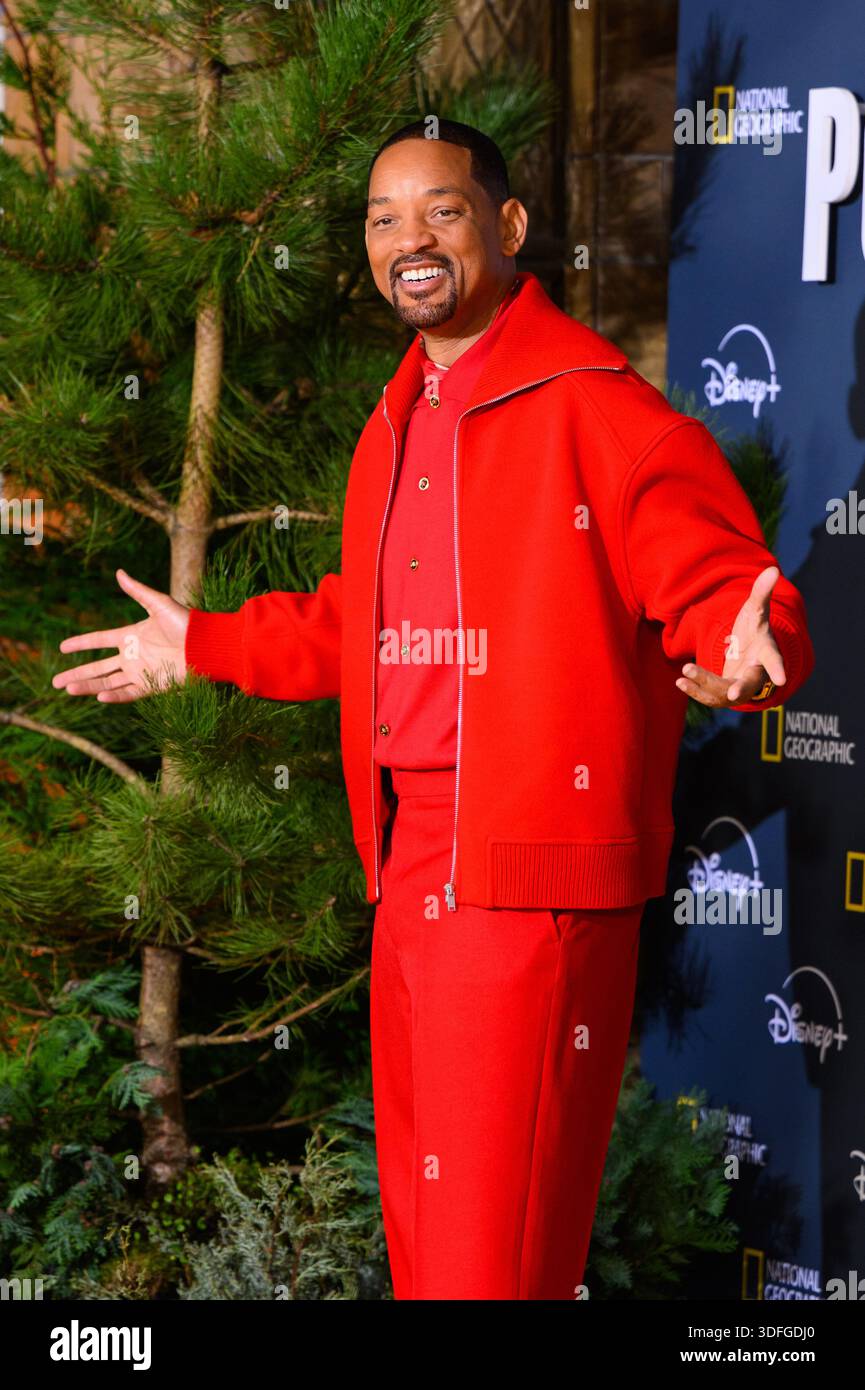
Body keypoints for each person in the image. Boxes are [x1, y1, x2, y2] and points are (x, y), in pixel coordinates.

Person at [52, 119, 815, 1300]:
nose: (409, 240)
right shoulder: (402, 416)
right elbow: (362, 622)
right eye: (382, 218)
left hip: (524, 889)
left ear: (507, 227)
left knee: (484, 1266)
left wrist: (746, 649)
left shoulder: (597, 410)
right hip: (410, 872)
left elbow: (719, 585)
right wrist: (198, 643)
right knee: (432, 1247)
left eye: (442, 211)